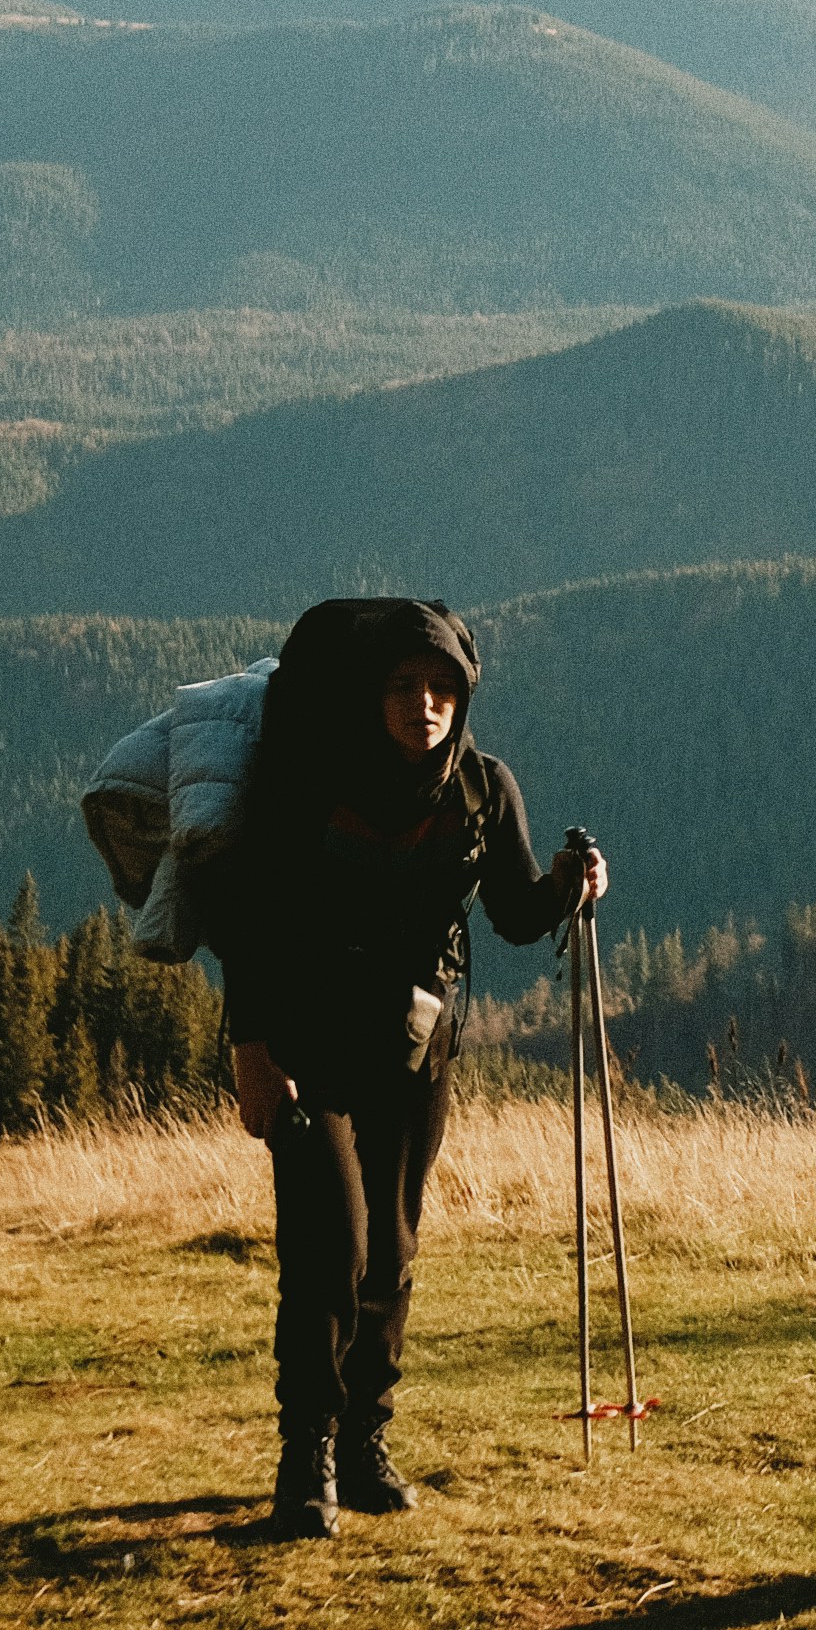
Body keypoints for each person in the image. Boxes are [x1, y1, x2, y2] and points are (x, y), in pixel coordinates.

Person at [204, 593, 604, 1543]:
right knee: (329, 1251)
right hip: (305, 1046)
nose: (424, 706)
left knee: (392, 1250)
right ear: (365, 692)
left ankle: (362, 1446)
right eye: (402, 687)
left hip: (417, 1049)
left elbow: (509, 913)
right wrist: (250, 1052)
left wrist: (567, 887)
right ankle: (305, 1459)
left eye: (442, 689)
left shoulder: (480, 787)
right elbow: (245, 922)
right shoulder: (306, 780)